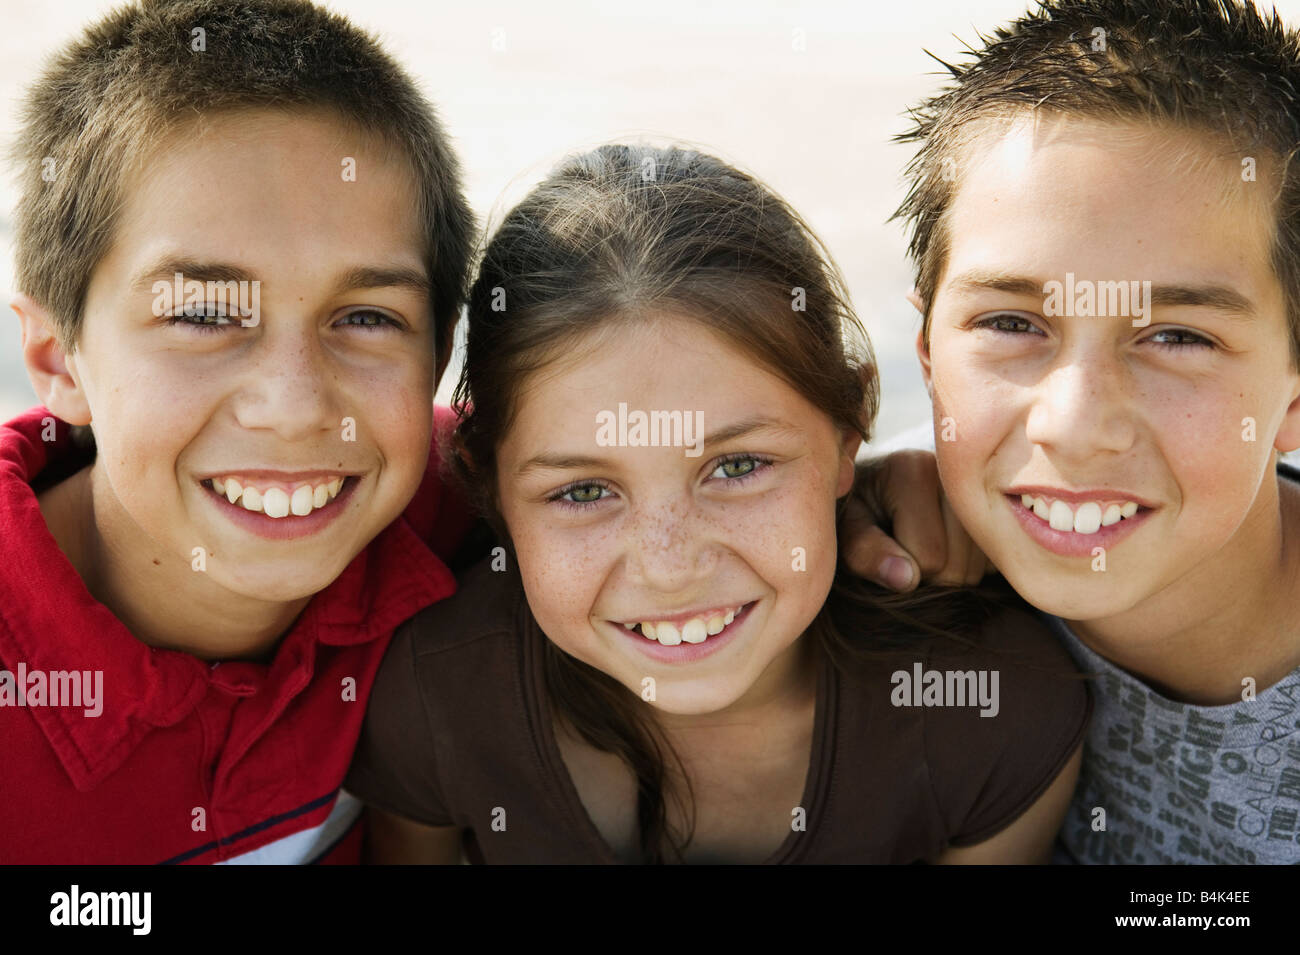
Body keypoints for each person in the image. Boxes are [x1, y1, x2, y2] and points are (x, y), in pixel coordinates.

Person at [345, 144, 1090, 864]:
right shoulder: (435, 698)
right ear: (488, 480)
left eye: (736, 466)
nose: (670, 567)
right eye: (582, 490)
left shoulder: (990, 711)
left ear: (847, 430)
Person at [0, 0, 477, 864]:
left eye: (367, 318)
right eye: (204, 313)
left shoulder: (494, 504)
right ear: (58, 359)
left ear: (439, 355)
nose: (295, 406)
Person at [887, 0, 1300, 863]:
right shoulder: (890, 577)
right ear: (927, 353)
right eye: (1010, 323)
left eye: (1178, 337)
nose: (1074, 427)